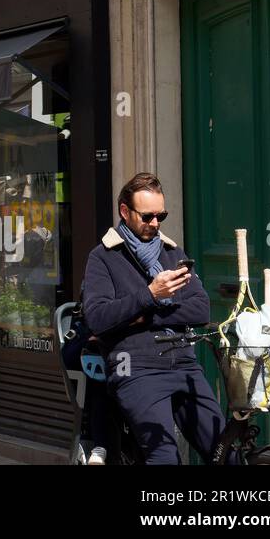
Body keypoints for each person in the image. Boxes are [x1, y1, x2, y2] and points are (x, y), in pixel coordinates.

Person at [81, 172, 224, 465]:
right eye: (147, 217)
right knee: (164, 456)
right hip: (136, 366)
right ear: (125, 211)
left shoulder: (173, 253)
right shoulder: (103, 257)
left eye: (161, 215)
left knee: (224, 450)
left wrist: (142, 317)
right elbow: (97, 318)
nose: (155, 224)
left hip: (184, 362)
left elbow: (200, 310)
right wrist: (150, 294)